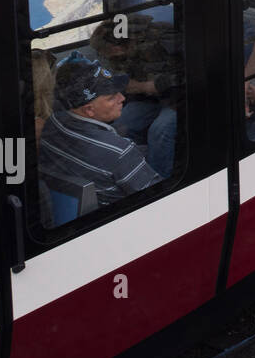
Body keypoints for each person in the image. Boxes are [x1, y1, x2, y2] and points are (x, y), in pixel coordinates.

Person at [39, 53, 162, 212]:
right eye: (111, 98)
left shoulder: (52, 122)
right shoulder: (120, 152)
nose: (122, 97)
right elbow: (159, 198)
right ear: (89, 110)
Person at [88, 17, 180, 179]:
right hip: (152, 100)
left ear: (116, 48)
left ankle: (157, 180)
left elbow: (190, 72)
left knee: (160, 131)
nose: (105, 57)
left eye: (106, 52)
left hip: (181, 98)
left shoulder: (163, 39)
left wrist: (151, 86)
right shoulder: (121, 53)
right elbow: (122, 76)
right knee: (123, 123)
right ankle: (131, 173)